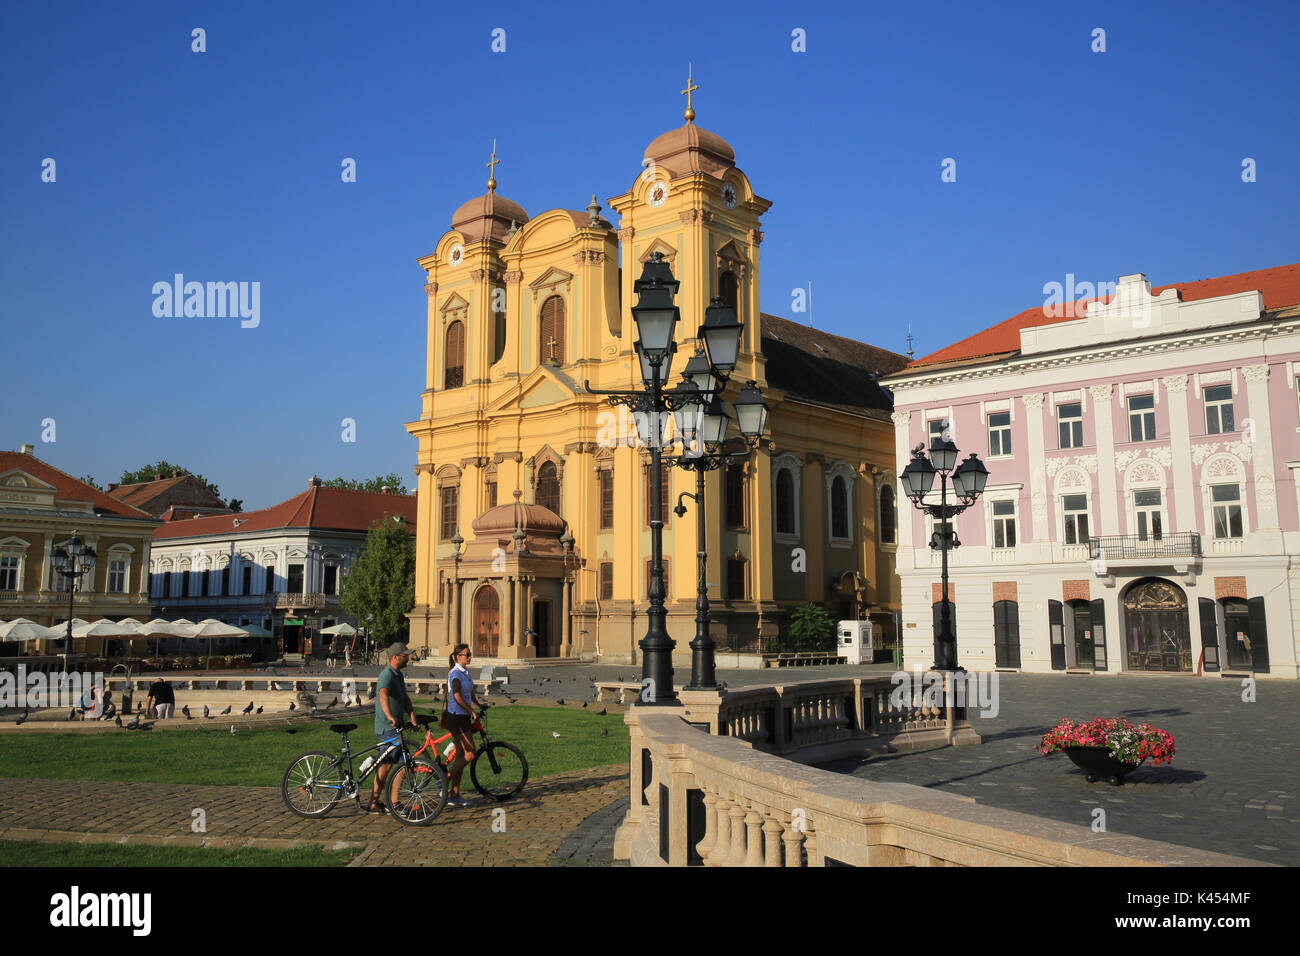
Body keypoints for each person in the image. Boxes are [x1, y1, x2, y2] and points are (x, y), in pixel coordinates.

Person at [370, 642, 417, 814]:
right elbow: (382, 694)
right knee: (401, 764)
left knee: (387, 765)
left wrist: (411, 715)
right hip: (387, 727)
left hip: (395, 726)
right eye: (405, 655)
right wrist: (390, 716)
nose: (408, 658)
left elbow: (404, 697)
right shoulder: (387, 675)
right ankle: (394, 803)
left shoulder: (398, 675)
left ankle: (374, 803)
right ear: (396, 657)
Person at [445, 644, 487, 808]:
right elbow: (456, 696)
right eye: (467, 655)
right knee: (470, 754)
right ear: (458, 657)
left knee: (460, 757)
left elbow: (469, 694)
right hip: (456, 717)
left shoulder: (465, 672)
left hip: (462, 717)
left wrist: (479, 705)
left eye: (470, 654)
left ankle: (454, 795)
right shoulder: (455, 673)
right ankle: (444, 780)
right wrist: (471, 710)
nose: (469, 657)